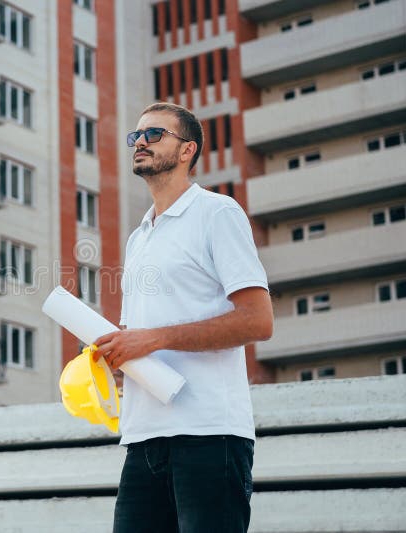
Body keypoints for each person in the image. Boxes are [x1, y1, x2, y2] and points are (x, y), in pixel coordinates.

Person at [93, 102, 274, 533]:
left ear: (188, 149)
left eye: (154, 134)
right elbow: (139, 334)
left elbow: (257, 321)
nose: (140, 142)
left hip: (209, 434)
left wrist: (151, 340)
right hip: (143, 439)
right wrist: (120, 355)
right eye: (135, 135)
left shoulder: (218, 213)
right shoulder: (140, 237)